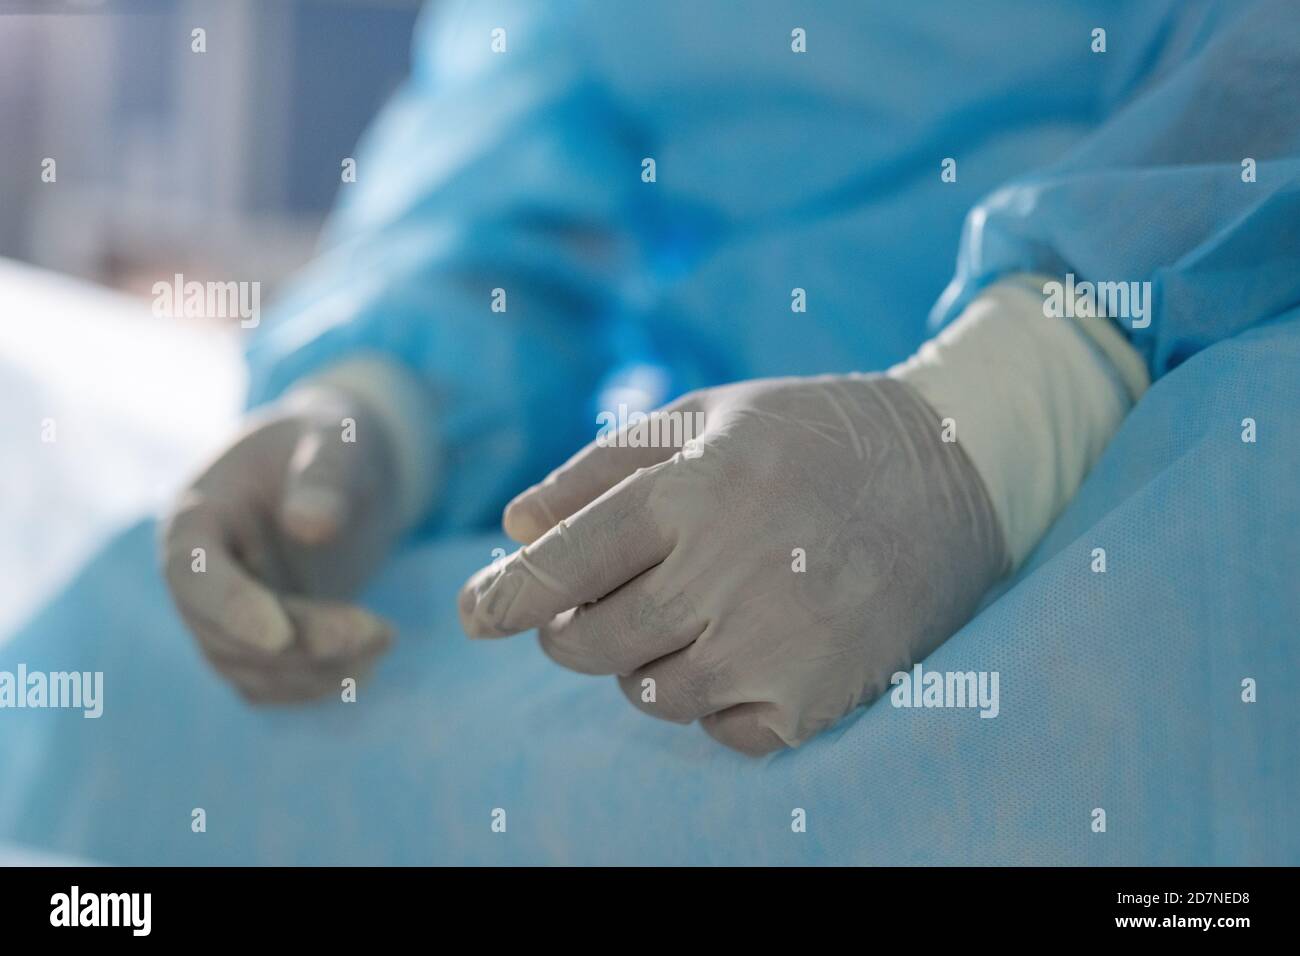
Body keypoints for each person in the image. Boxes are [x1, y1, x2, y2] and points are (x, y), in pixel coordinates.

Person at [161, 0, 1300, 755]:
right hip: (727, 534)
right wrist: (376, 412)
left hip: (1185, 394)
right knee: (151, 642)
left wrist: (1018, 398)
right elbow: (506, 178)